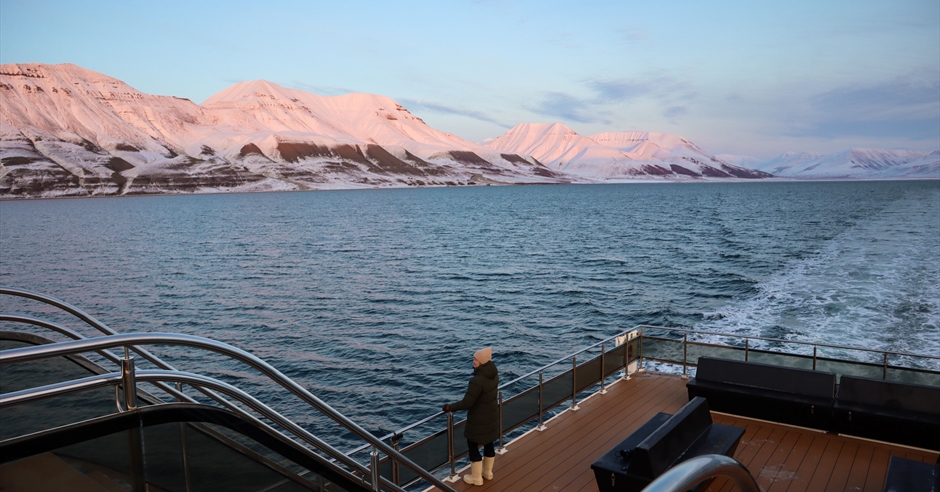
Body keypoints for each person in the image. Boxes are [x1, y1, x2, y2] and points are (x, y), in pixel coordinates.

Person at [442, 346, 499, 486]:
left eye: (476, 359)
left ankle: (476, 478)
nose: (473, 361)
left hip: (478, 419)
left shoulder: (477, 380)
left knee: (473, 445)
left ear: (481, 362)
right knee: (489, 443)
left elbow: (467, 402)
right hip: (491, 416)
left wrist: (450, 407)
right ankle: (488, 473)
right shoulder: (494, 374)